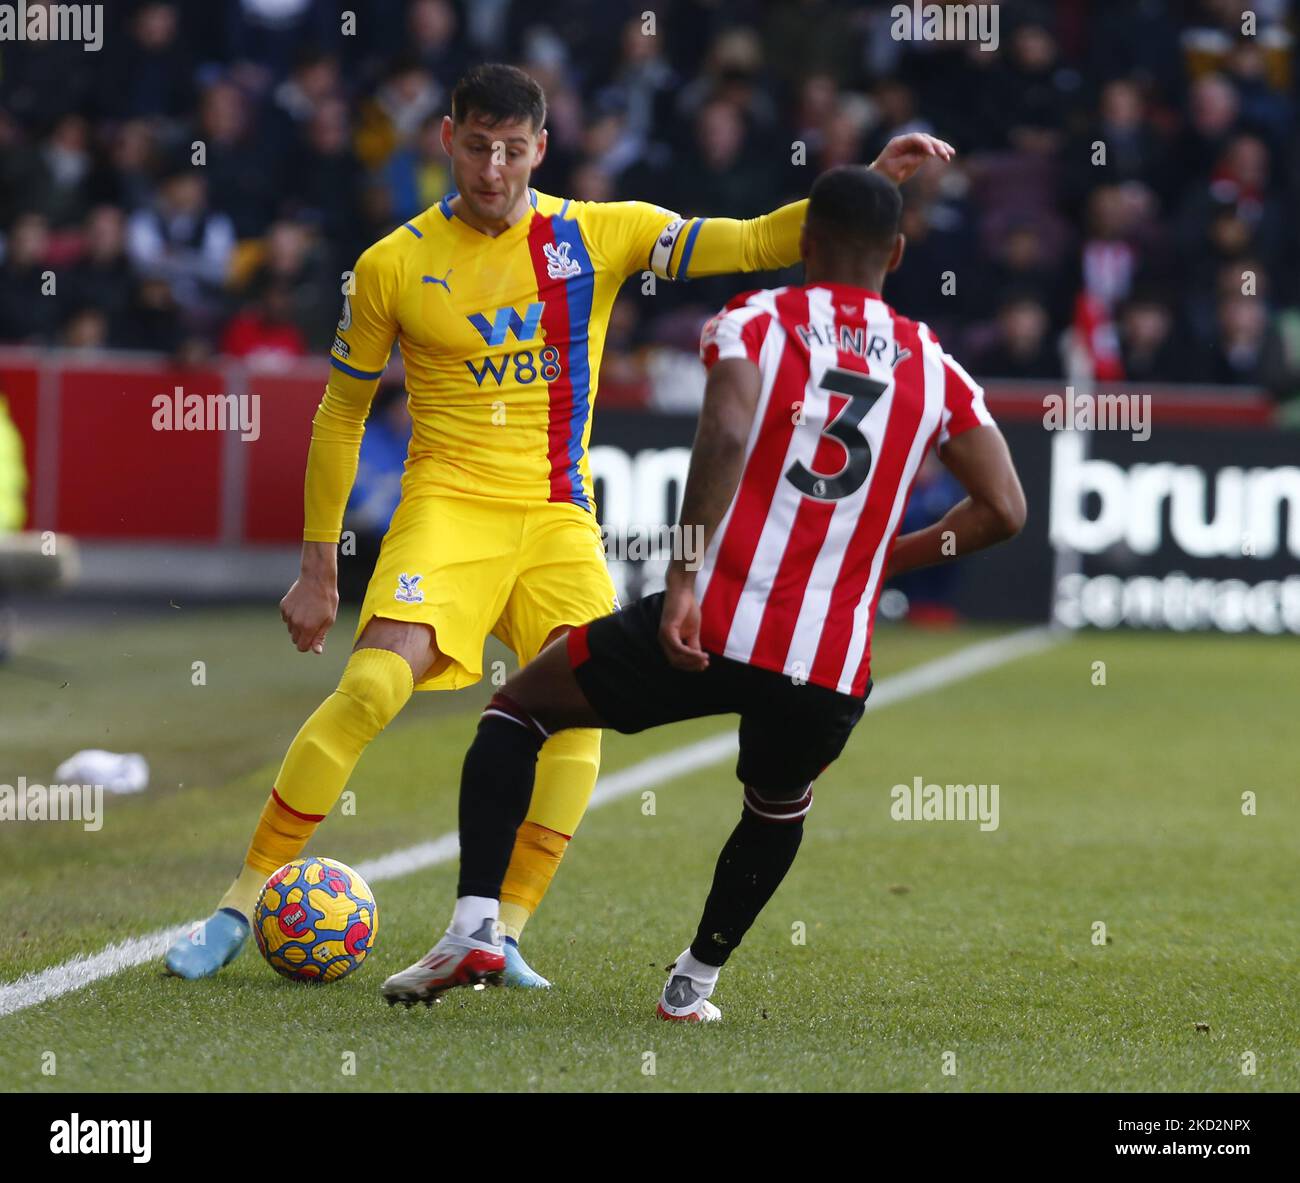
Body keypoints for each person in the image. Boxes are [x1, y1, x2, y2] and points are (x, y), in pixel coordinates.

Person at [163, 62, 953, 986]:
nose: (492, 169)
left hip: (556, 516)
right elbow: (340, 414)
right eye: (474, 146)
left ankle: (505, 933)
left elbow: (747, 242)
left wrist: (865, 184)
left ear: (541, 148)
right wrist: (318, 566)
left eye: (510, 150)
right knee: (374, 685)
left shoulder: (597, 235)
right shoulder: (391, 265)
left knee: (577, 717)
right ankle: (239, 901)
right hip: (447, 508)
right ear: (446, 139)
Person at [381, 165, 1025, 1019]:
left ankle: (474, 925)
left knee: (519, 711)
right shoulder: (936, 367)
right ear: (899, 253)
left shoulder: (756, 322)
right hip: (829, 656)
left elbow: (724, 428)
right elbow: (1006, 509)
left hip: (714, 616)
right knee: (778, 801)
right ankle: (694, 979)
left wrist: (683, 578)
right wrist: (884, 561)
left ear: (803, 244)